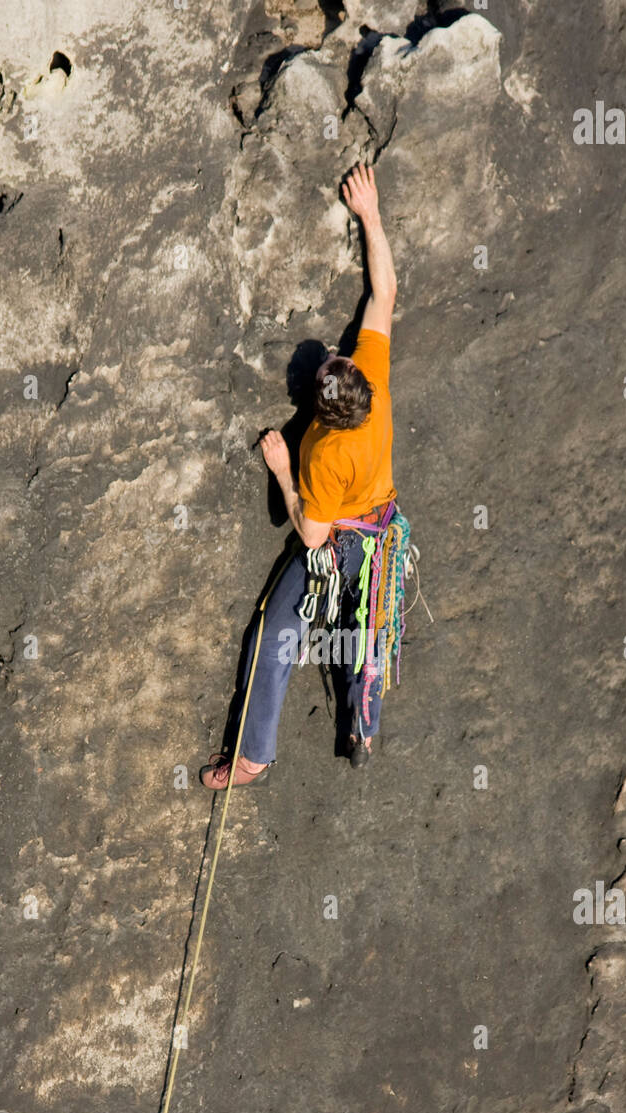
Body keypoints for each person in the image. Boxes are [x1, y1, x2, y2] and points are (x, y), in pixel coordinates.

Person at [200, 163, 399, 790]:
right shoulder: (376, 384)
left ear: (324, 407)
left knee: (277, 628)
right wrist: (370, 214)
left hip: (339, 540)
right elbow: (384, 292)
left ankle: (254, 756)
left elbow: (312, 535)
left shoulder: (321, 453)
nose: (337, 352)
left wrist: (284, 469)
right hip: (381, 529)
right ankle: (361, 719)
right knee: (357, 622)